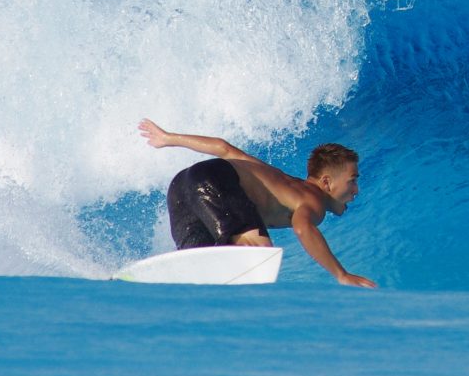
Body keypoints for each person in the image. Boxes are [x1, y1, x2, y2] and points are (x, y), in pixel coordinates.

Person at [138, 118, 378, 288]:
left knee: (200, 268)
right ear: (326, 182)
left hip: (181, 186)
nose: (356, 190)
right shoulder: (313, 199)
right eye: (352, 181)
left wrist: (168, 138)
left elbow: (224, 148)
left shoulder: (275, 179)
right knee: (256, 256)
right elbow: (303, 228)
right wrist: (341, 274)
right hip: (215, 181)